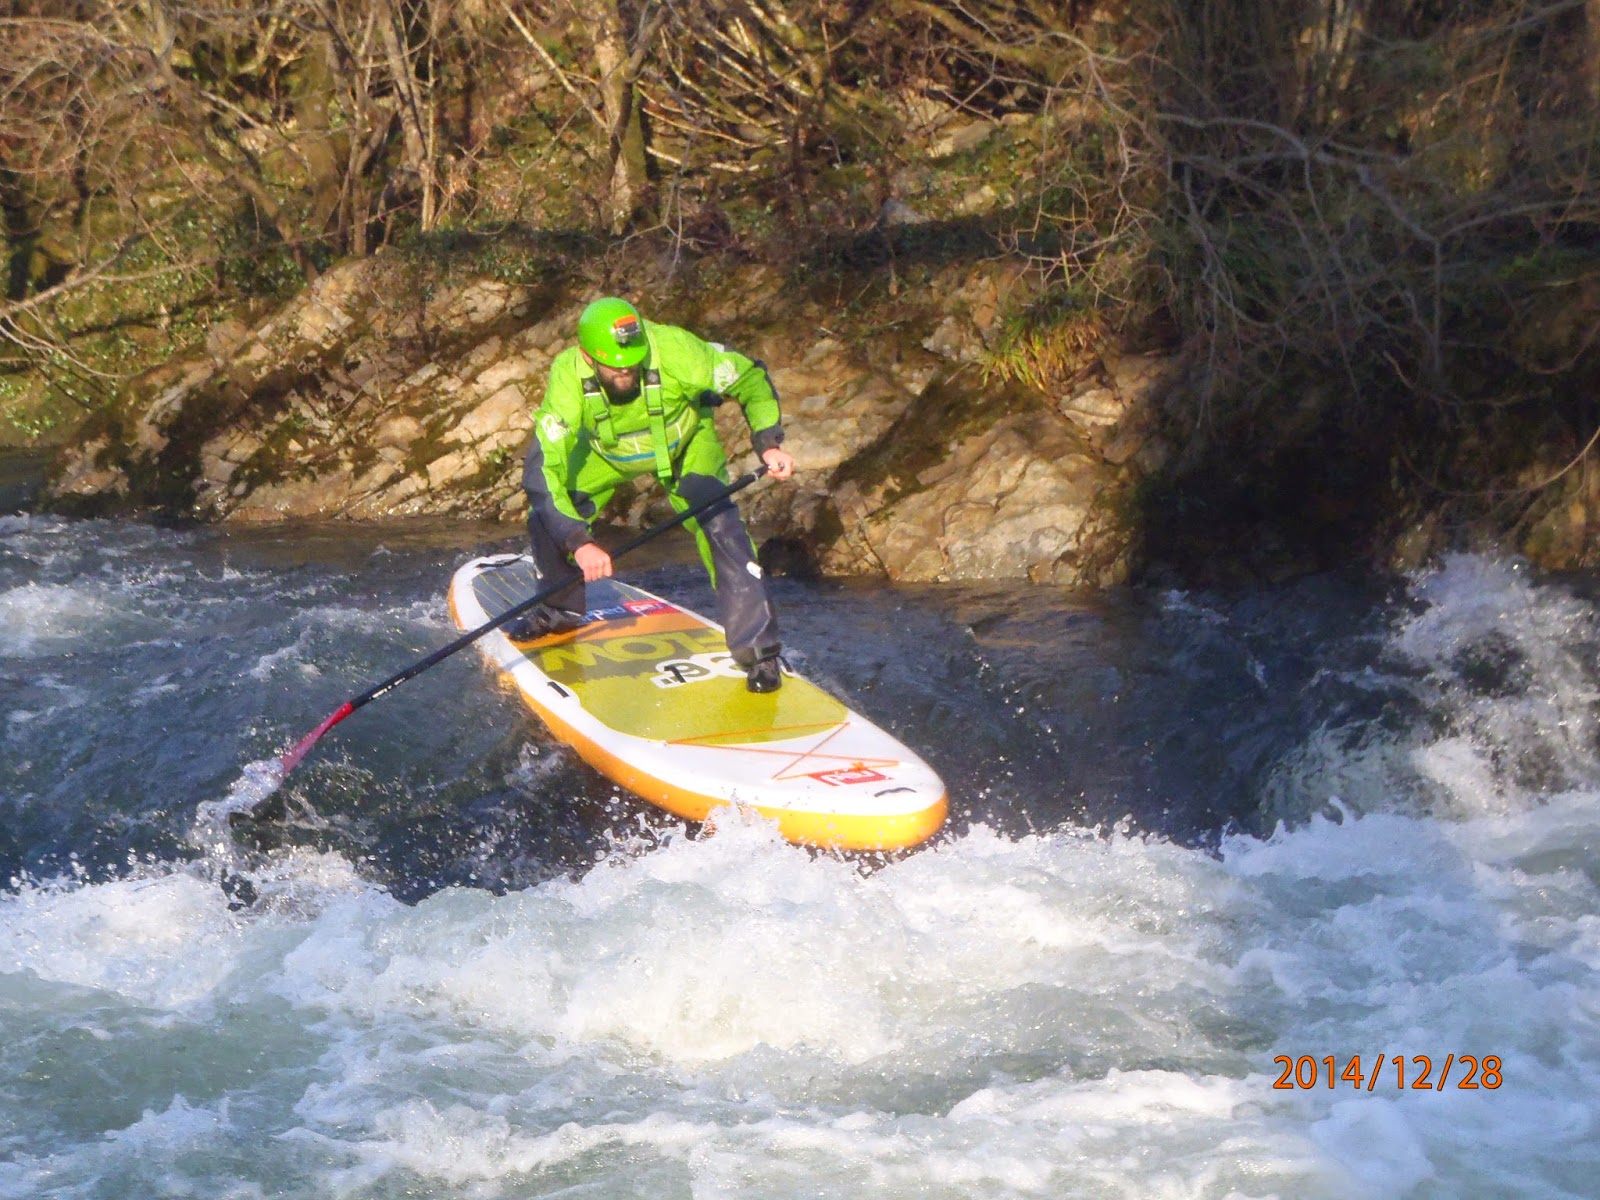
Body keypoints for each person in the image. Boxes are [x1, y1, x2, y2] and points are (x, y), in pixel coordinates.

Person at [513, 296, 796, 693]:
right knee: (551, 515)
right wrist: (579, 541)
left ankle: (760, 653)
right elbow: (543, 469)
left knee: (722, 526)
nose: (626, 371)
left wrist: (768, 442)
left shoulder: (678, 350)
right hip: (605, 455)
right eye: (615, 365)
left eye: (632, 362)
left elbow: (750, 377)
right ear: (588, 356)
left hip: (684, 446)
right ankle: (557, 610)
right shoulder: (568, 375)